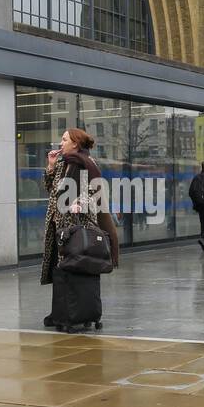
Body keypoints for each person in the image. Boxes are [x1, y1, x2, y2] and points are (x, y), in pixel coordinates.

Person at [40, 128, 118, 327]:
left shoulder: (85, 162)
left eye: (64, 139)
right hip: (59, 224)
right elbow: (51, 188)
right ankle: (60, 311)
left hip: (77, 225)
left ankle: (76, 311)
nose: (60, 143)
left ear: (75, 143)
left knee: (75, 266)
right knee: (60, 268)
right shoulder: (62, 162)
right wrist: (50, 167)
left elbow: (92, 189)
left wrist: (79, 203)